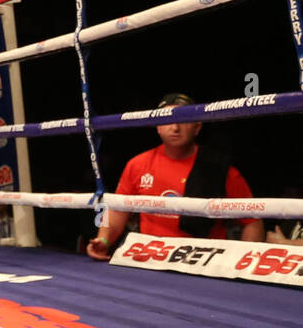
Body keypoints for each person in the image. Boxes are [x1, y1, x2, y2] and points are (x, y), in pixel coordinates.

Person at [87, 92, 264, 259]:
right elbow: (118, 210)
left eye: (183, 119)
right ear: (157, 127)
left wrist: (243, 261)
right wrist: (104, 240)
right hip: (150, 258)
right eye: (167, 120)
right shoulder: (137, 165)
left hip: (201, 262)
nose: (175, 127)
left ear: (197, 127)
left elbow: (252, 221)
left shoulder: (218, 168)